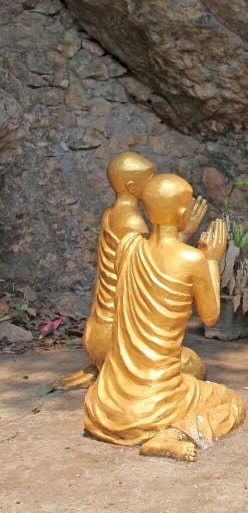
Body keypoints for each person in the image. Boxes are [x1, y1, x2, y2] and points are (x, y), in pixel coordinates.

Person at [84, 174, 244, 461]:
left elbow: (157, 262)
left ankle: (152, 419)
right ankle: (174, 435)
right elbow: (210, 317)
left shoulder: (128, 247)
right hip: (154, 404)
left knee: (193, 366)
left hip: (106, 405)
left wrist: (185, 236)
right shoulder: (192, 260)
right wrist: (211, 260)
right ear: (183, 213)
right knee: (231, 403)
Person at [55, 152, 206, 390]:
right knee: (193, 366)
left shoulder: (111, 213)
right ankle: (115, 371)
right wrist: (186, 234)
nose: (155, 183)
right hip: (114, 336)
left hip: (96, 331)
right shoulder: (132, 222)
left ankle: (104, 368)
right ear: (132, 187)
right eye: (150, 178)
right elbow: (151, 261)